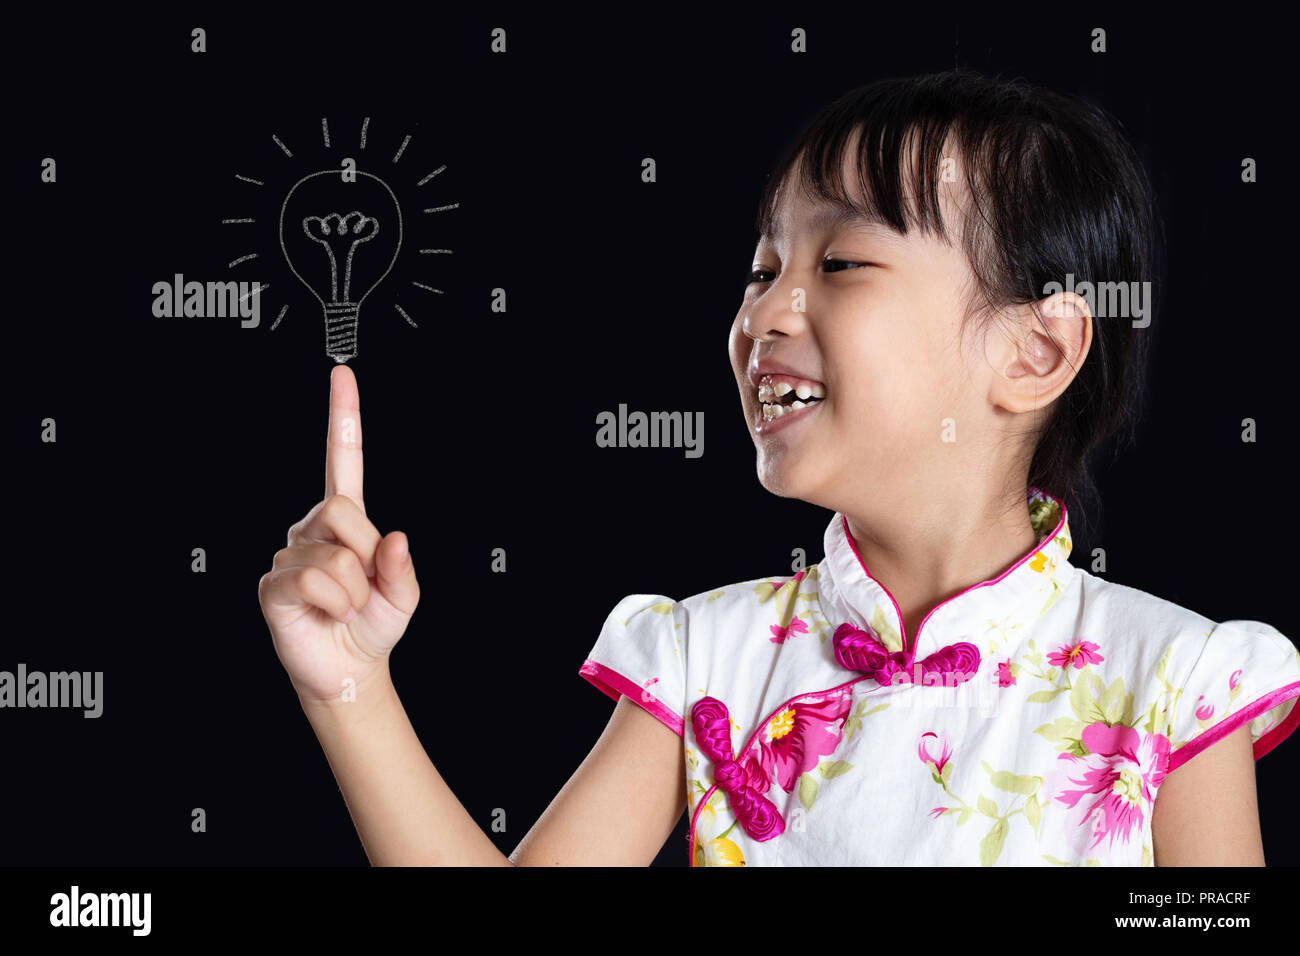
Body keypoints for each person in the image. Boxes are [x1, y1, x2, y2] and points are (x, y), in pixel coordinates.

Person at [257, 71, 1300, 866]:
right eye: (761, 269)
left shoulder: (1175, 680)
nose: (762, 312)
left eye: (838, 262)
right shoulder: (705, 659)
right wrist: (350, 688)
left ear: (1034, 352)